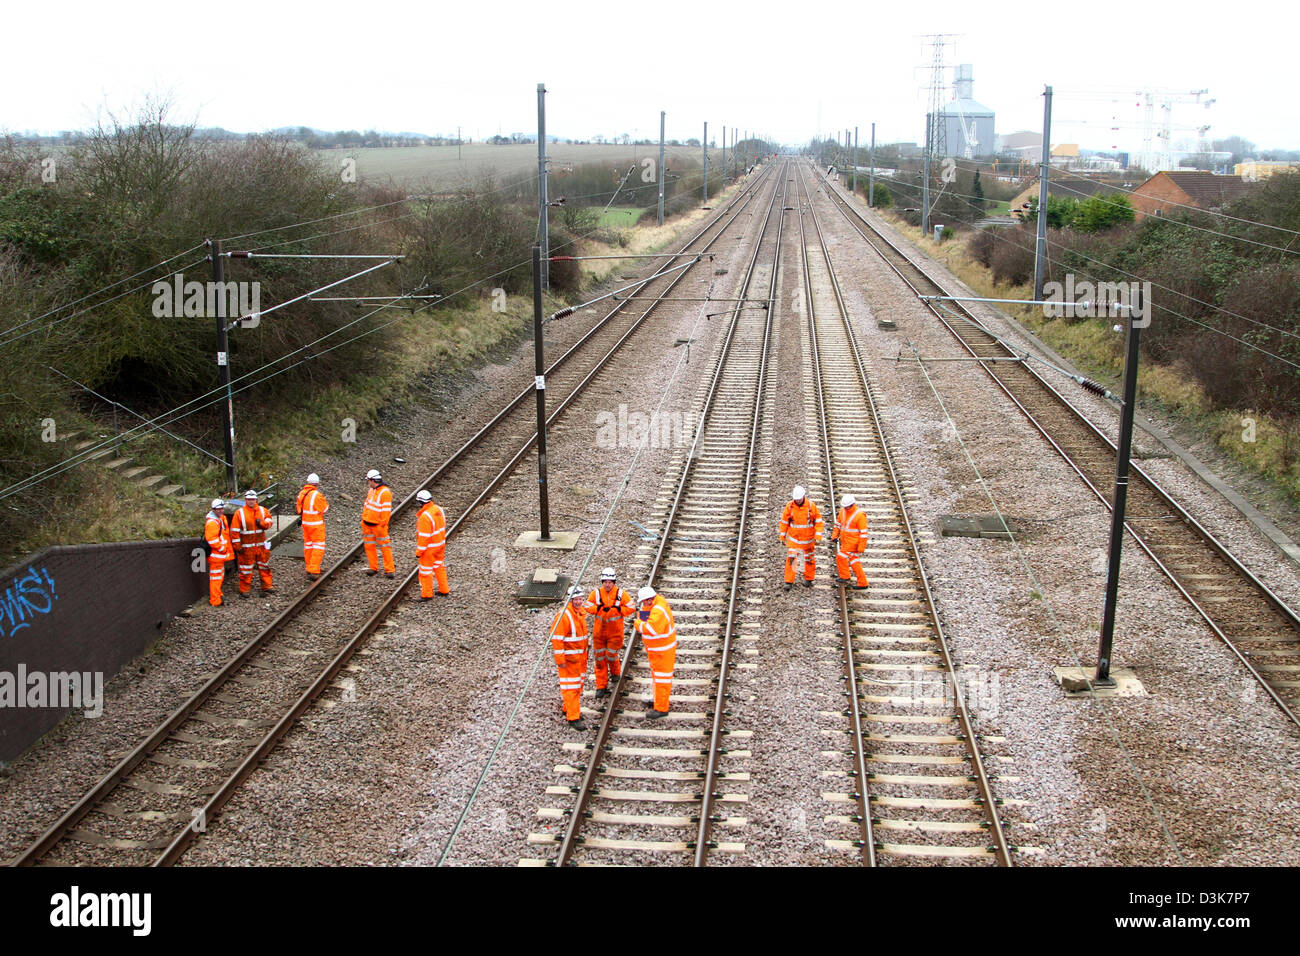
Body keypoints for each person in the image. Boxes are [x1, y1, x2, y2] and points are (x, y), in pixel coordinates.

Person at [583, 567, 634, 698]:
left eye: (610, 582)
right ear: (602, 582)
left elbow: (631, 607)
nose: (607, 584)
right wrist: (597, 608)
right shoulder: (596, 594)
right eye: (605, 581)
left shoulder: (621, 594)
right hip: (599, 633)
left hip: (615, 633)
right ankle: (601, 686)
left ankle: (616, 673)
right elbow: (587, 606)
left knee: (611, 655)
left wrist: (619, 610)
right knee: (599, 660)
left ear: (614, 582)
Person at [550, 585, 590, 731]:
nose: (579, 602)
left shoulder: (579, 613)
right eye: (576, 599)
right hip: (569, 660)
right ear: (570, 600)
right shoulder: (564, 616)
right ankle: (573, 717)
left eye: (580, 599)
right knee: (571, 689)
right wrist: (560, 660)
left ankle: (568, 708)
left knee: (576, 687)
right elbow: (557, 638)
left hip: (579, 658)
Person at [635, 585, 676, 720]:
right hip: (658, 650)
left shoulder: (658, 610)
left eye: (644, 602)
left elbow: (652, 629)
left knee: (661, 679)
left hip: (662, 651)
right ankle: (658, 699)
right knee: (657, 677)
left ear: (649, 599)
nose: (643, 604)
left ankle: (661, 708)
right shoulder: (657, 603)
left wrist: (638, 624)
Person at [229, 489, 275, 597]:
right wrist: (238, 546)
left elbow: (270, 522)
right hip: (246, 547)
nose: (251, 502)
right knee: (246, 570)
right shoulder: (239, 513)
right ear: (245, 500)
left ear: (256, 500)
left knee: (264, 566)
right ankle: (244, 589)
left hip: (260, 545)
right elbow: (234, 532)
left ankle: (267, 586)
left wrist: (262, 523)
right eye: (249, 500)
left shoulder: (263, 511)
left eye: (253, 500)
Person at [779, 484, 824, 590]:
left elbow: (818, 521)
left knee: (809, 559)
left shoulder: (811, 506)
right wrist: (782, 536)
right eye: (796, 499)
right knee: (791, 559)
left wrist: (818, 536)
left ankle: (809, 579)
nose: (797, 501)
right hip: (795, 540)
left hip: (808, 540)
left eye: (799, 499)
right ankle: (788, 582)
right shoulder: (789, 506)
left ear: (803, 496)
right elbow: (784, 522)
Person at [414, 489, 449, 599]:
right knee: (439, 567)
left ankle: (427, 594)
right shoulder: (439, 510)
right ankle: (444, 589)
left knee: (425, 571)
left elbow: (424, 537)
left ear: (421, 502)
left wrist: (419, 552)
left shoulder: (425, 516)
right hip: (440, 545)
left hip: (429, 549)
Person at [361, 468, 395, 577]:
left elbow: (386, 512)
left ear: (372, 480)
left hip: (378, 526)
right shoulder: (371, 491)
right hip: (367, 524)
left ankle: (389, 570)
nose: (368, 483)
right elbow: (367, 506)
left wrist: (382, 525)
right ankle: (373, 567)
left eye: (368, 481)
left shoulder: (385, 493)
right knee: (369, 547)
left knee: (385, 547)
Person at [296, 473, 329, 578]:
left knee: (308, 546)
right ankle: (314, 569)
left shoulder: (301, 493)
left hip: (305, 524)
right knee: (318, 546)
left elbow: (298, 510)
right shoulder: (316, 495)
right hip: (316, 525)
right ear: (317, 483)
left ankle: (309, 567)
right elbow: (324, 509)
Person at [833, 493, 869, 589]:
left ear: (852, 504)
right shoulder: (843, 511)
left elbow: (864, 533)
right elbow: (838, 524)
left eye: (847, 506)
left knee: (841, 557)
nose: (845, 508)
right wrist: (835, 536)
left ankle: (845, 576)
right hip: (846, 542)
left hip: (853, 544)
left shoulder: (860, 515)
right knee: (854, 562)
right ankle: (862, 583)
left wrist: (861, 547)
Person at [204, 498, 232, 607]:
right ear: (214, 510)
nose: (220, 511)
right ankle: (215, 600)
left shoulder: (219, 519)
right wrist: (223, 549)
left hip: (218, 556)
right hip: (216, 556)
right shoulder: (212, 523)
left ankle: (218, 595)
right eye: (218, 509)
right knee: (215, 578)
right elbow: (212, 540)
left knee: (218, 577)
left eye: (221, 508)